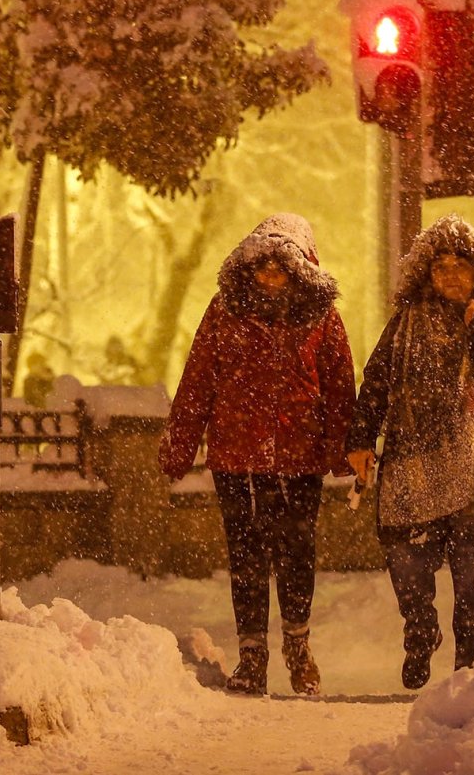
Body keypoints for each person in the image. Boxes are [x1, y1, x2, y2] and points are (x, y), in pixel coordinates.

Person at [347, 215, 474, 690]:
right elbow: (375, 383)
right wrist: (359, 441)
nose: (452, 275)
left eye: (462, 265)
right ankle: (420, 631)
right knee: (407, 561)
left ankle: (472, 675)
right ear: (426, 274)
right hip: (413, 468)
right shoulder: (407, 323)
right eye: (441, 267)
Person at [159, 213, 356, 697]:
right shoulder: (224, 310)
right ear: (247, 269)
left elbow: (338, 384)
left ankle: (297, 644)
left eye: (280, 269)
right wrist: (179, 445)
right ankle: (252, 654)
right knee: (246, 557)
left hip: (298, 456)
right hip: (237, 456)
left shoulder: (321, 316)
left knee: (296, 555)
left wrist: (344, 449)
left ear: (299, 270)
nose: (270, 277)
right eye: (262, 268)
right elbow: (199, 378)